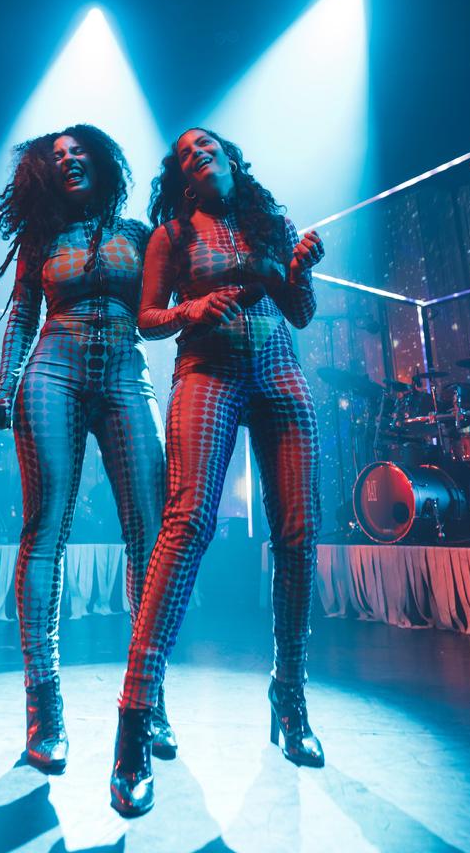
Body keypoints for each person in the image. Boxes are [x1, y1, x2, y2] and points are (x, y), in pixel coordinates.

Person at [110, 127, 325, 817]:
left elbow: (298, 310)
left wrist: (304, 268)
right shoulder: (171, 234)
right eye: (183, 156)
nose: (195, 155)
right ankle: (135, 716)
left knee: (296, 533)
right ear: (181, 177)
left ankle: (287, 694)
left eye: (207, 147)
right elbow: (144, 318)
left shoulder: (270, 222)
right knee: (188, 522)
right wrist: (189, 308)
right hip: (206, 371)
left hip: (278, 372)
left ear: (232, 159)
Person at [0, 124, 175, 773]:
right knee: (45, 532)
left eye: (76, 152)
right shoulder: (41, 240)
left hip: (125, 375)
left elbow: (166, 310)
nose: (67, 161)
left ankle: (148, 697)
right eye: (54, 156)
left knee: (150, 535)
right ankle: (44, 705)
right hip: (52, 375)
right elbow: (21, 318)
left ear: (100, 161)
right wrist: (4, 386)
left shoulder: (141, 236)